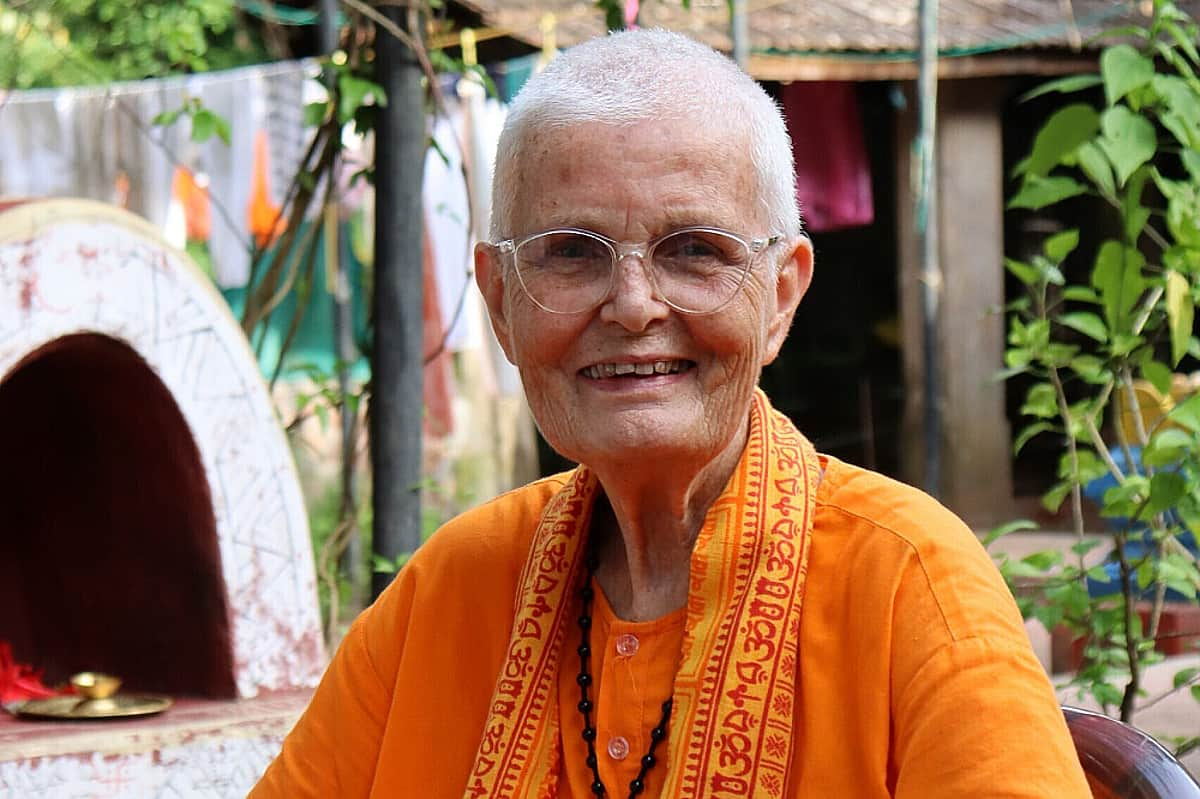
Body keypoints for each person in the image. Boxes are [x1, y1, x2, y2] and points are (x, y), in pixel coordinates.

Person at [251, 29, 1090, 798]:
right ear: (500, 301)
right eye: (572, 253)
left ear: (781, 295)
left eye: (694, 250)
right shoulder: (451, 589)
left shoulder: (911, 584)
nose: (632, 304)